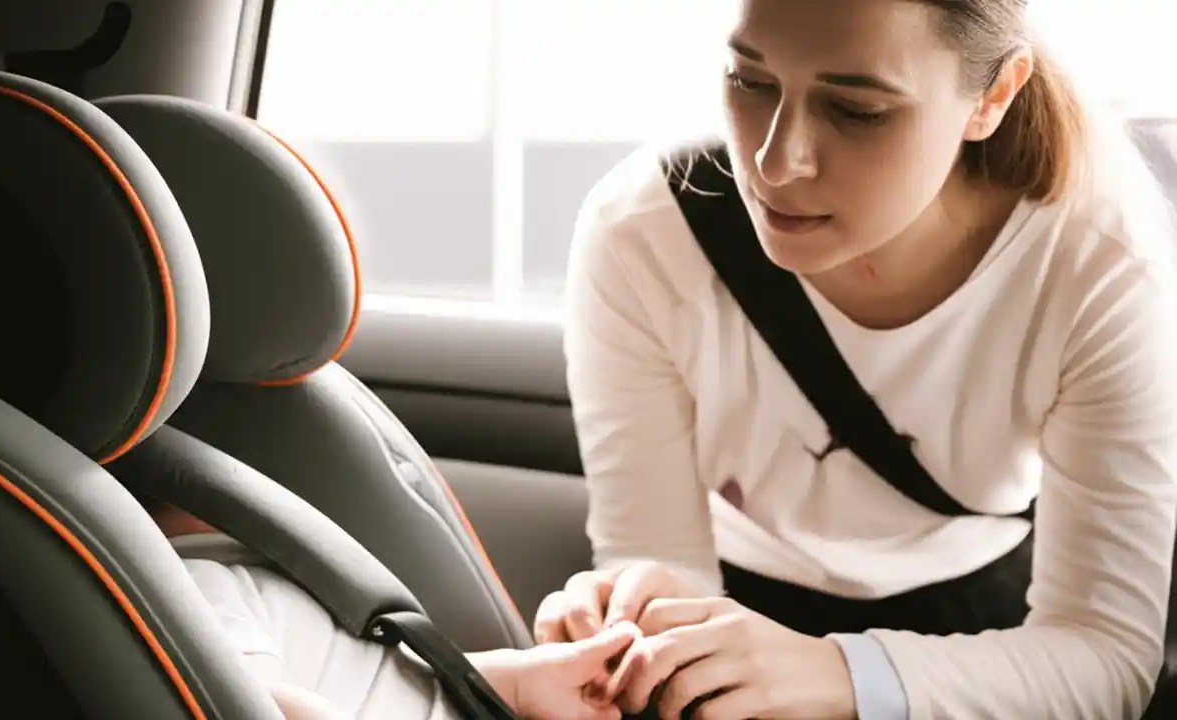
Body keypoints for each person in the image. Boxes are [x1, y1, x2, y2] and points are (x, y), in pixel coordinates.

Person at [537, 0, 1177, 718]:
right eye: (750, 81)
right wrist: (629, 616)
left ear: (993, 96)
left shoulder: (1100, 267)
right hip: (728, 602)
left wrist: (839, 671)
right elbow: (650, 552)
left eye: (858, 110)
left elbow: (1105, 655)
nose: (776, 162)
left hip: (990, 643)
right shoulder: (640, 231)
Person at [146, 502, 648, 720]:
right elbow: (258, 704)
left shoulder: (260, 586)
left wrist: (510, 682)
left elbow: (371, 677)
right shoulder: (194, 595)